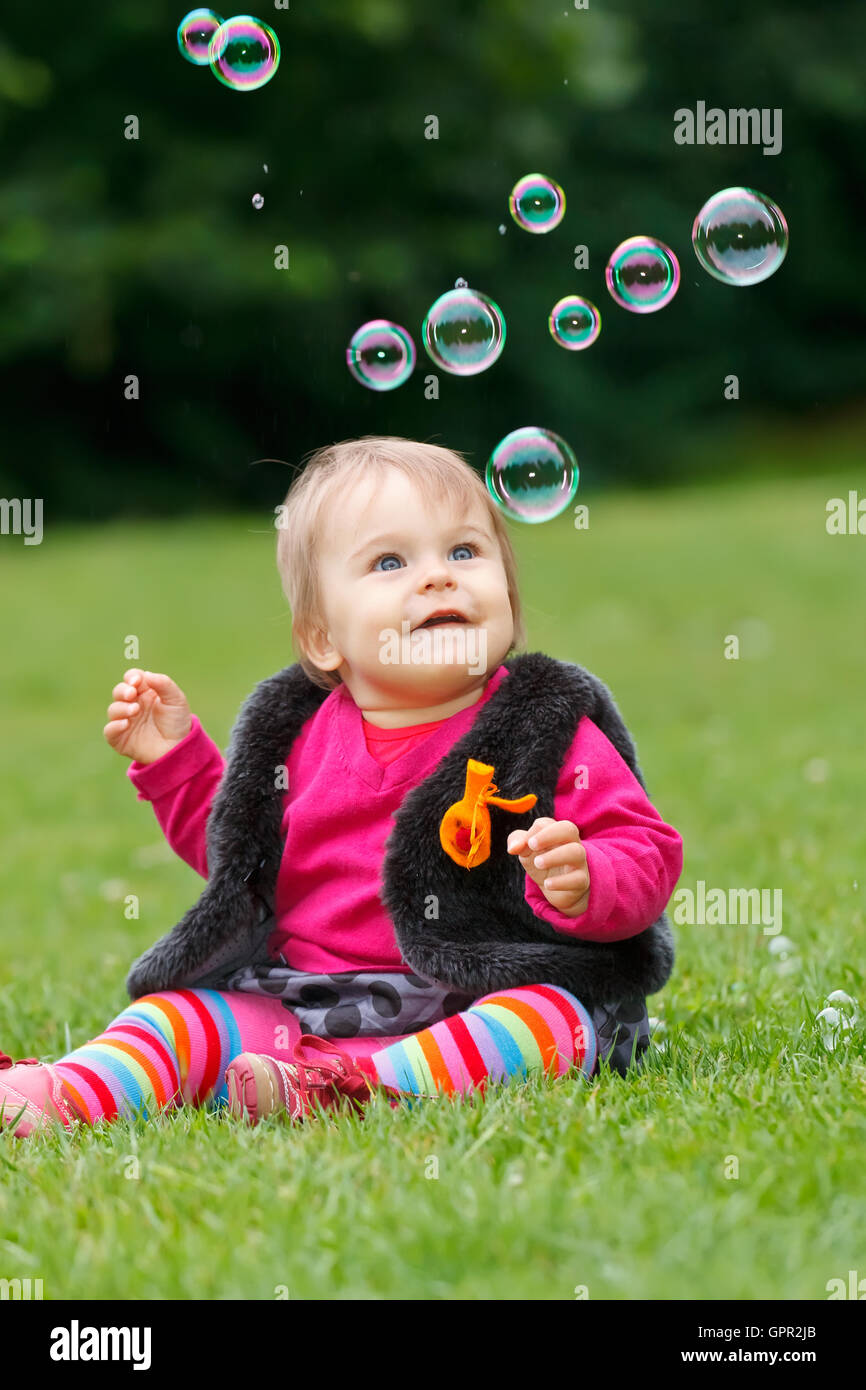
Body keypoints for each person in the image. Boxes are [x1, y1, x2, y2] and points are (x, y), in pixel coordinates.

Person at [0, 436, 683, 1137]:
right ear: (323, 638)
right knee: (174, 1017)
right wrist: (174, 761)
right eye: (391, 562)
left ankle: (357, 1086)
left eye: (465, 553)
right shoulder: (297, 734)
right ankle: (65, 1093)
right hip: (304, 1003)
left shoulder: (540, 725)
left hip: (484, 989)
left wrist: (587, 878)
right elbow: (241, 861)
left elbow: (646, 846)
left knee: (542, 1021)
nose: (438, 578)